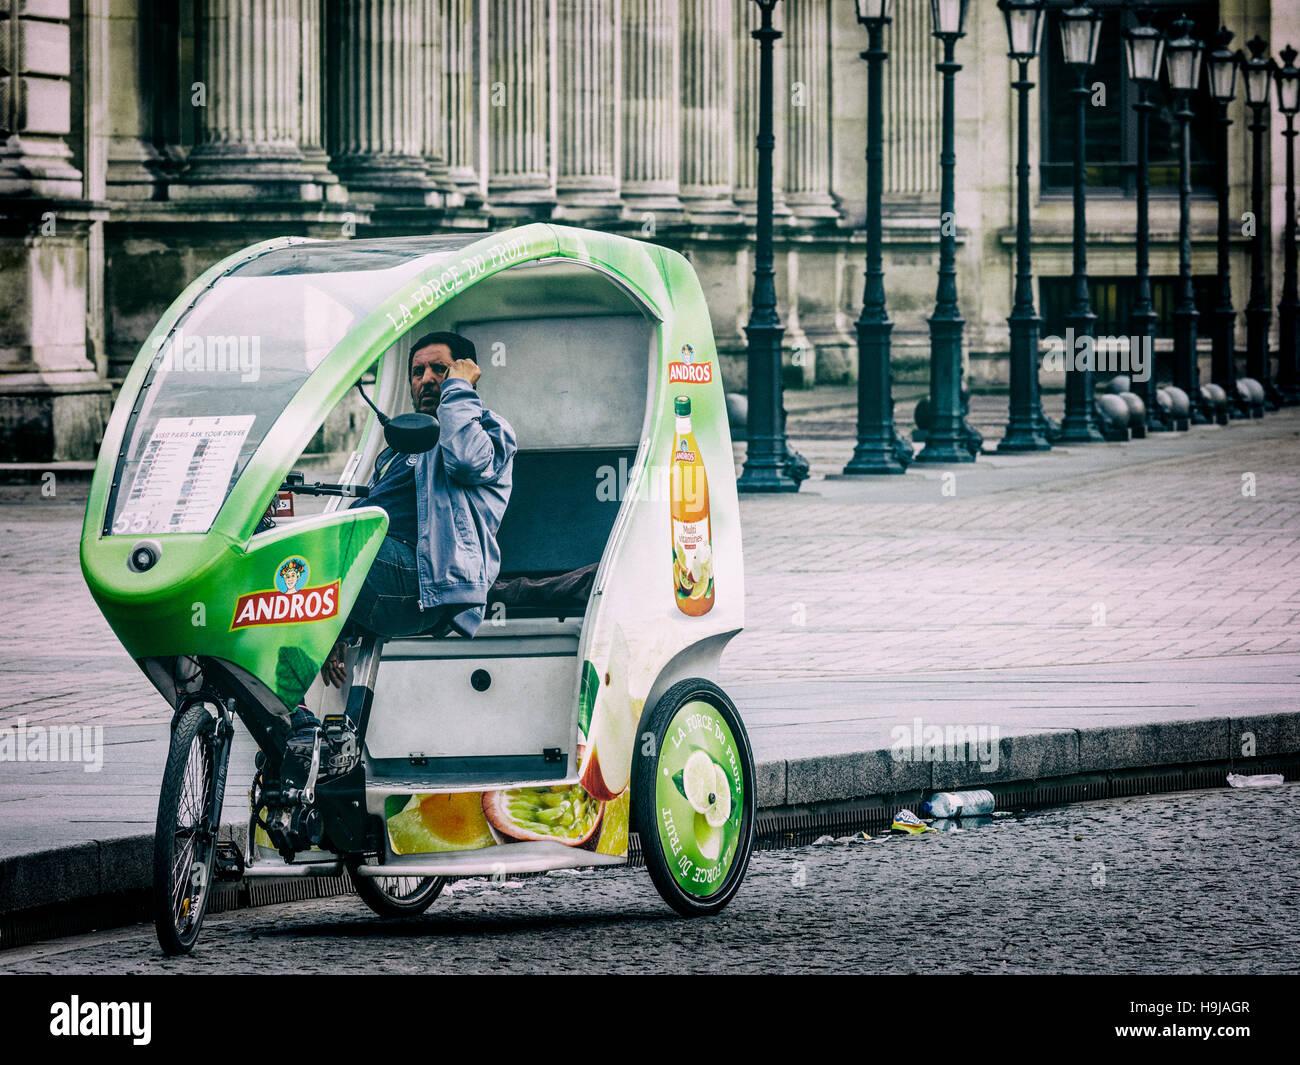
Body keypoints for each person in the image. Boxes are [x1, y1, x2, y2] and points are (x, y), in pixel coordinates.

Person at [281, 330, 516, 782]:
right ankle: (296, 722)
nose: (427, 379)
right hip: (383, 574)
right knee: (282, 565)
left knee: (323, 545)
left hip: (428, 584)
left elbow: (467, 461)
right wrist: (333, 627)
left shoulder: (488, 430)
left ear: (465, 374)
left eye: (440, 370)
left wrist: (458, 392)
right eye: (418, 371)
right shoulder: (397, 448)